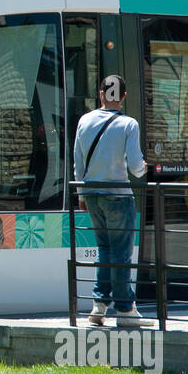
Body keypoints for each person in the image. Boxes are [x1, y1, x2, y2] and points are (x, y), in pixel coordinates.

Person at [73, 75, 149, 327]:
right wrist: (145, 167)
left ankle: (99, 305)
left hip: (92, 195)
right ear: (124, 97)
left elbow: (78, 163)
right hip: (118, 196)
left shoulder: (85, 120)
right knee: (121, 253)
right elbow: (137, 168)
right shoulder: (129, 124)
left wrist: (82, 194)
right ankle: (126, 310)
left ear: (101, 94)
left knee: (104, 250)